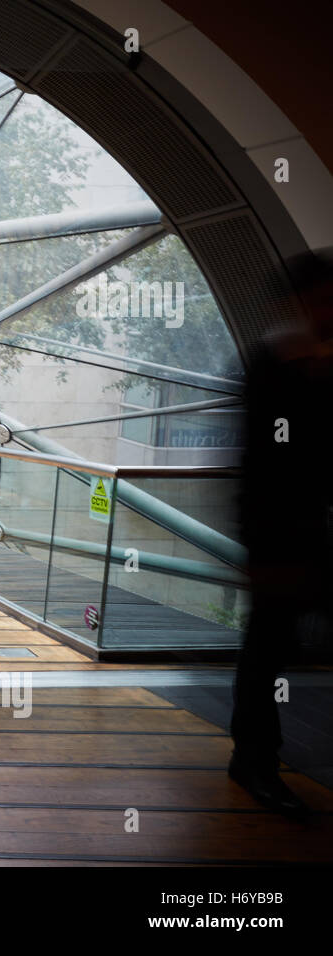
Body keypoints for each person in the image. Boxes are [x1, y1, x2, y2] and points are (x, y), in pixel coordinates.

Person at [228, 249, 333, 821]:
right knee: (267, 652)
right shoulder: (278, 365)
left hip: (288, 532)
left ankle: (254, 759)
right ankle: (255, 759)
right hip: (286, 533)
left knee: (265, 652)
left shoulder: (278, 361)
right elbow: (264, 456)